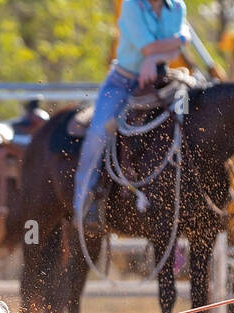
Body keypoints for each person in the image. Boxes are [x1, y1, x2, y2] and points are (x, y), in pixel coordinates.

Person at [74, 0, 189, 235]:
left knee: (189, 119)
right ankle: (84, 201)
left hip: (160, 79)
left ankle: (186, 192)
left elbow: (169, 53)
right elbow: (150, 48)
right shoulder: (132, 5)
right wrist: (179, 39)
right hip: (122, 82)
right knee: (98, 133)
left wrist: (155, 57)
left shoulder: (177, 7)